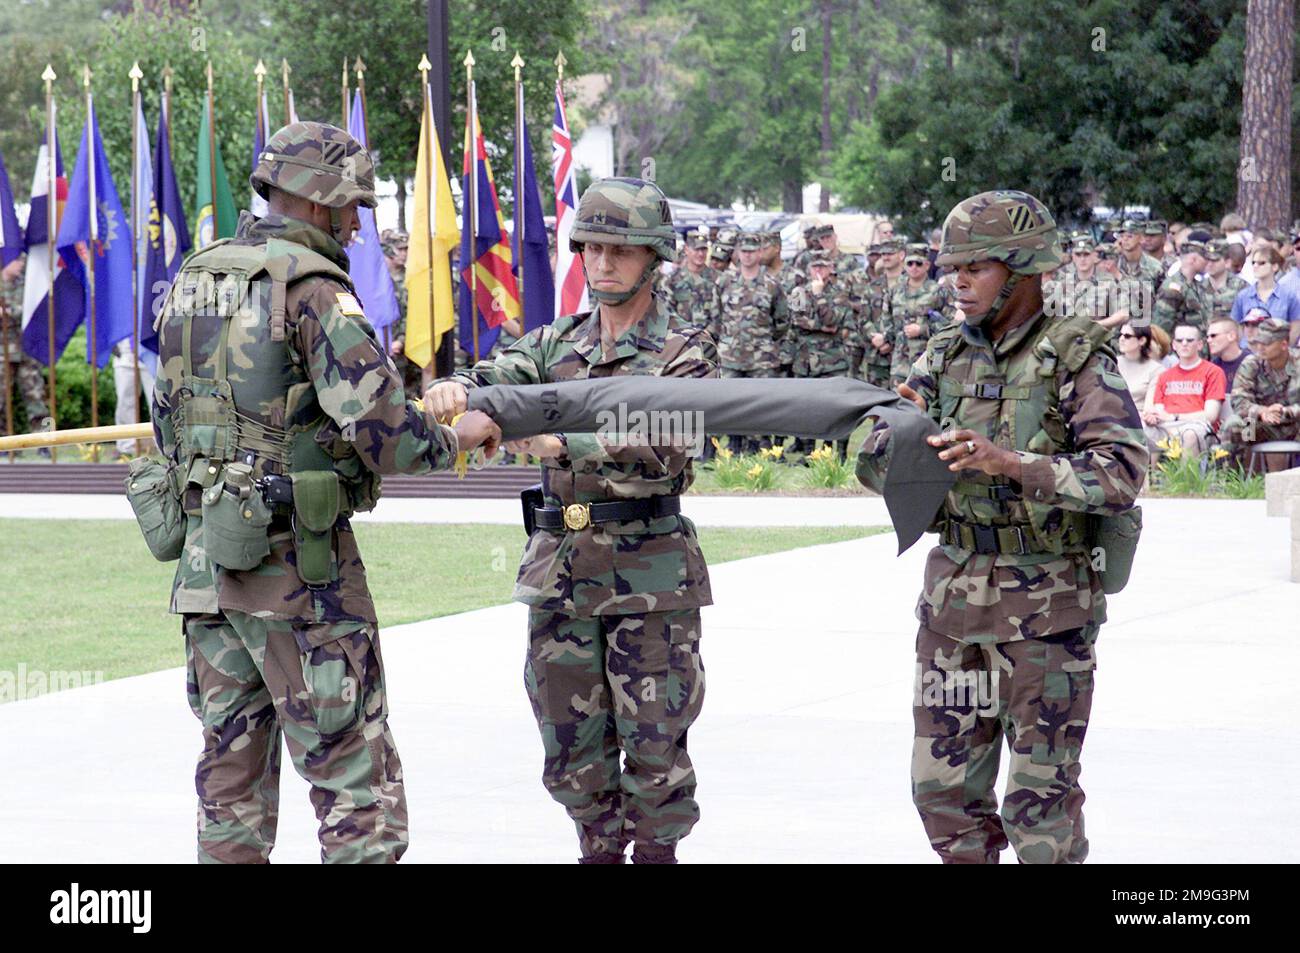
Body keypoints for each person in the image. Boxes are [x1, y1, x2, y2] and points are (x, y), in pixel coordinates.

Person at [149, 121, 501, 864]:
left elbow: (165, 419)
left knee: (230, 792)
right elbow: (387, 434)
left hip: (206, 572)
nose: (356, 225)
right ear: (324, 201)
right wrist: (464, 433)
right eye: (353, 209)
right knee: (356, 787)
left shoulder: (195, 277)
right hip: (301, 580)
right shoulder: (314, 291)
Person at [426, 177, 716, 865]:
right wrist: (459, 393)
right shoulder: (553, 343)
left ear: (654, 257)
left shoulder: (683, 349)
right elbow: (496, 383)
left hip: (650, 575)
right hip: (562, 571)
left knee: (655, 749)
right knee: (570, 750)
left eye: (621, 250)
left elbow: (670, 439)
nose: (603, 263)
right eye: (591, 247)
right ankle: (596, 851)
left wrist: (565, 443)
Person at [859, 190, 1147, 864]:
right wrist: (893, 441)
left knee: (1039, 804)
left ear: (1023, 271)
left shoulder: (1075, 357)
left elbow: (1121, 472)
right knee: (943, 792)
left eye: (975, 267)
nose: (956, 282)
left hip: (1047, 607)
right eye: (951, 267)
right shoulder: (940, 355)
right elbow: (870, 459)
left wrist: (1012, 464)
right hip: (953, 601)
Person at [711, 230, 790, 453]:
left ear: (759, 253)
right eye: (743, 251)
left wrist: (766, 341)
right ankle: (732, 443)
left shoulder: (772, 284)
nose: (747, 256)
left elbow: (782, 321)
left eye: (752, 251)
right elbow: (716, 317)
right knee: (728, 401)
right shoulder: (724, 282)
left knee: (762, 402)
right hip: (730, 355)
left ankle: (760, 446)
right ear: (737, 253)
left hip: (761, 357)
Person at [786, 250, 860, 456]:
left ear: (830, 269)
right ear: (809, 269)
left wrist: (819, 296)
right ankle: (808, 453)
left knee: (834, 407)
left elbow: (833, 322)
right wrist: (820, 326)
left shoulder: (840, 292)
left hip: (832, 360)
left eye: (822, 266)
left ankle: (836, 453)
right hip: (805, 360)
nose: (818, 270)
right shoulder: (797, 292)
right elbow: (795, 321)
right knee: (805, 407)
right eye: (814, 266)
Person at [1223, 317, 1300, 470]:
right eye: (1259, 342)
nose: (1260, 347)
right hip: (1264, 426)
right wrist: (1261, 411)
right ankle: (1233, 482)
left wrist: (1284, 411)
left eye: (1267, 343)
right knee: (1235, 425)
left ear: (1284, 344)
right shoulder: (1251, 363)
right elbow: (1239, 400)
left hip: (1295, 426)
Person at [1142, 324, 1226, 455]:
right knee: (1133, 432)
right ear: (1174, 345)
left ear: (1199, 345)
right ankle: (1142, 475)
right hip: (1166, 427)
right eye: (1180, 341)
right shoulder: (1164, 375)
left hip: (1198, 428)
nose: (1184, 344)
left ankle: (1186, 476)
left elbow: (1210, 415)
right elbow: (1159, 410)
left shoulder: (1213, 372)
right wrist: (1153, 417)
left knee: (1189, 435)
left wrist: (1175, 417)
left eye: (1190, 340)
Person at [0, 255, 52, 444]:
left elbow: (32, 309)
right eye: (16, 260)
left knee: (37, 397)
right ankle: (4, 443)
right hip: (3, 351)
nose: (20, 263)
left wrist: (7, 313)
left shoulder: (28, 283)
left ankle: (45, 441)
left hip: (28, 351)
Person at [886, 243, 952, 385]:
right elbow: (887, 323)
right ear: (904, 265)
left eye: (918, 263)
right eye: (910, 263)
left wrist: (923, 330)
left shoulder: (938, 292)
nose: (914, 267)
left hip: (927, 362)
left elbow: (950, 325)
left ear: (927, 265)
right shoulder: (895, 291)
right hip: (899, 365)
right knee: (897, 404)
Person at [1232, 245, 1300, 344]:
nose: (1255, 266)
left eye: (1262, 263)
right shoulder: (1243, 296)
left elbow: (1295, 327)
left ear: (1275, 266)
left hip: (1277, 352)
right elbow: (1236, 326)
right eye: (1253, 262)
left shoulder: (1288, 296)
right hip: (1248, 352)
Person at [1151, 231, 1211, 336]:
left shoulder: (1195, 284)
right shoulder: (1173, 288)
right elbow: (1160, 327)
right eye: (1205, 259)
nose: (1208, 263)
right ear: (1193, 260)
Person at [661, 226, 716, 332]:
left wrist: (707, 334)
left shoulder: (718, 279)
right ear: (686, 249)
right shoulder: (671, 280)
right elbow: (666, 312)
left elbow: (722, 314)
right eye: (696, 249)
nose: (700, 254)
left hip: (711, 340)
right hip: (682, 340)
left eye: (703, 249)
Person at [1116, 321, 1163, 410]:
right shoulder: (1112, 363)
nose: (1121, 339)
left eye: (1127, 336)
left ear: (1142, 340)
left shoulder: (1156, 370)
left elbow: (1149, 407)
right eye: (1120, 335)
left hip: (1138, 419)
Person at [1202, 239, 1248, 323]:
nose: (1209, 264)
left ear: (1227, 262)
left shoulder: (1241, 287)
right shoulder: (1198, 286)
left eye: (1215, 260)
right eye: (1207, 259)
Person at [1207, 316, 1249, 392]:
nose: (1209, 340)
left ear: (1231, 336)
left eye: (1213, 336)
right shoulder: (1211, 368)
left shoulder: (1253, 363)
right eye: (1208, 337)